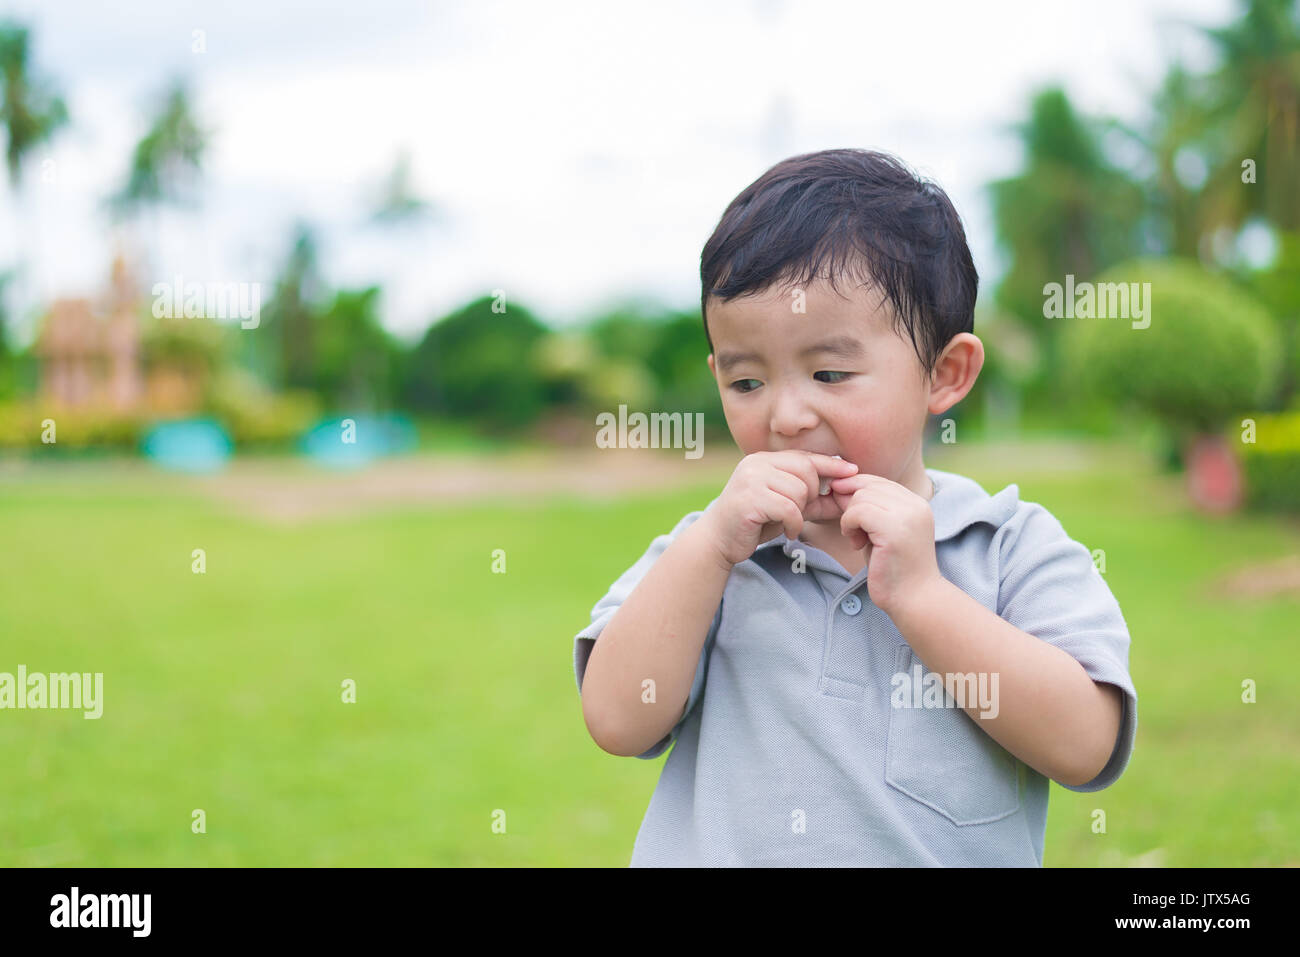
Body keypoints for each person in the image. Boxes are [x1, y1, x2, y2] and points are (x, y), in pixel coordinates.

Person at [573, 148, 1137, 866]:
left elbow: (1085, 745)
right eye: (746, 382)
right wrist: (711, 546)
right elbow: (618, 718)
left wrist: (925, 598)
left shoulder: (1006, 547)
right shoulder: (709, 554)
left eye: (829, 372)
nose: (786, 415)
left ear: (945, 373)